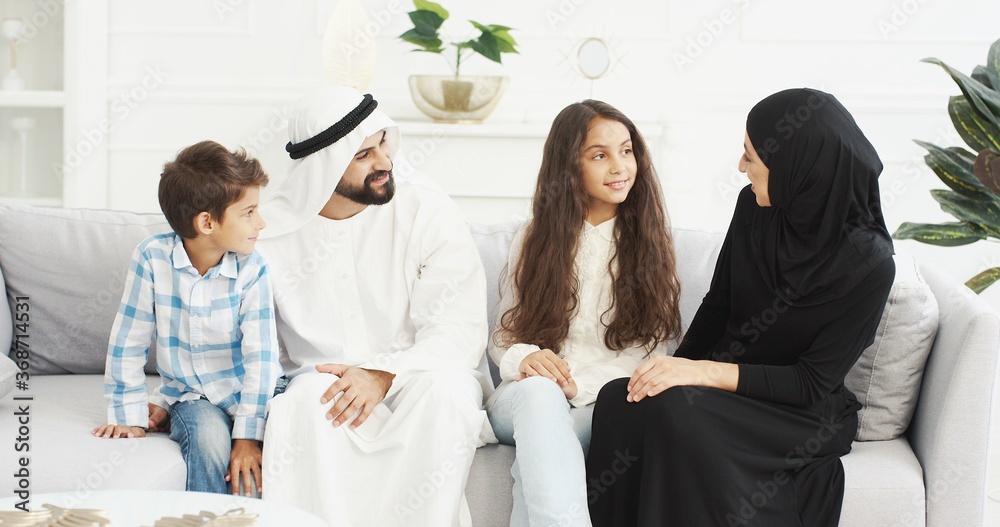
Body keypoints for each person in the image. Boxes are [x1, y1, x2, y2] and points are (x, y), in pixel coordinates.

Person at [585, 88, 896, 526]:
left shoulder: (870, 264)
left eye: (751, 156)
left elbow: (810, 382)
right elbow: (719, 304)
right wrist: (672, 370)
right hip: (727, 391)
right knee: (619, 400)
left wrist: (699, 374)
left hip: (799, 412)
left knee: (677, 414)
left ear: (795, 164)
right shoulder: (754, 206)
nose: (740, 166)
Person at [257, 86, 493, 527]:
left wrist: (384, 373)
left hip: (419, 377)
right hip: (323, 384)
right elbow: (244, 342)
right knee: (305, 402)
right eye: (363, 154)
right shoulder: (268, 235)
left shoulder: (425, 209)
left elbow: (458, 330)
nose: (385, 161)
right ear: (323, 166)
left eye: (383, 143)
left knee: (449, 392)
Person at [487, 100, 683, 526]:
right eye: (599, 155)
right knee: (541, 396)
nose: (619, 166)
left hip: (601, 407)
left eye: (626, 150)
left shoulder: (653, 245)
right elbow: (504, 335)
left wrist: (578, 386)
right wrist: (528, 358)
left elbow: (650, 356)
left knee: (543, 458)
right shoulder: (534, 238)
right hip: (523, 395)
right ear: (569, 166)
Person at [94, 140, 283, 498]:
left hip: (255, 392)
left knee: (289, 438)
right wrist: (128, 415)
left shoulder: (253, 268)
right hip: (194, 398)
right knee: (208, 440)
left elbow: (261, 358)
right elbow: (128, 340)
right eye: (248, 212)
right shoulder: (152, 258)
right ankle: (207, 520)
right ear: (207, 222)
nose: (261, 222)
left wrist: (247, 437)